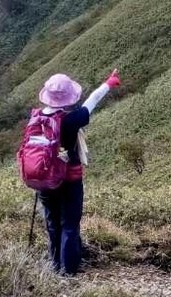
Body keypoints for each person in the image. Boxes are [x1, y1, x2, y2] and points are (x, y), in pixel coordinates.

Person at [34, 69, 120, 275]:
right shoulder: (71, 120)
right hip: (69, 179)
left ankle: (54, 266)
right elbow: (93, 100)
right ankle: (69, 271)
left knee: (52, 222)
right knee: (70, 224)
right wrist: (109, 82)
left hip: (44, 180)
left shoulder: (37, 118)